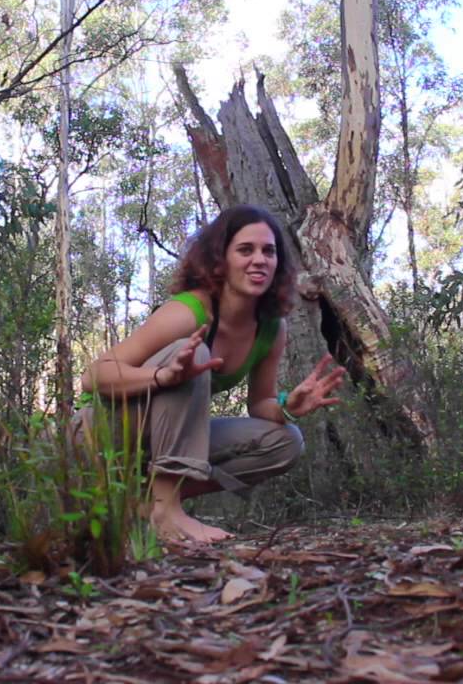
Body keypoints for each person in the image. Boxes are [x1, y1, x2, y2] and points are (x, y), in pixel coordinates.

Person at [75, 205, 346, 543]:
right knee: (194, 352)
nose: (260, 260)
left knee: (285, 441)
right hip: (100, 434)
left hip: (161, 438)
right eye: (245, 250)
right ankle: (166, 512)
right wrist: (162, 376)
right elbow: (93, 376)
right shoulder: (188, 312)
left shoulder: (271, 328)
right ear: (220, 260)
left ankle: (143, 501)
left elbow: (260, 402)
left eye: (269, 251)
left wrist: (287, 407)